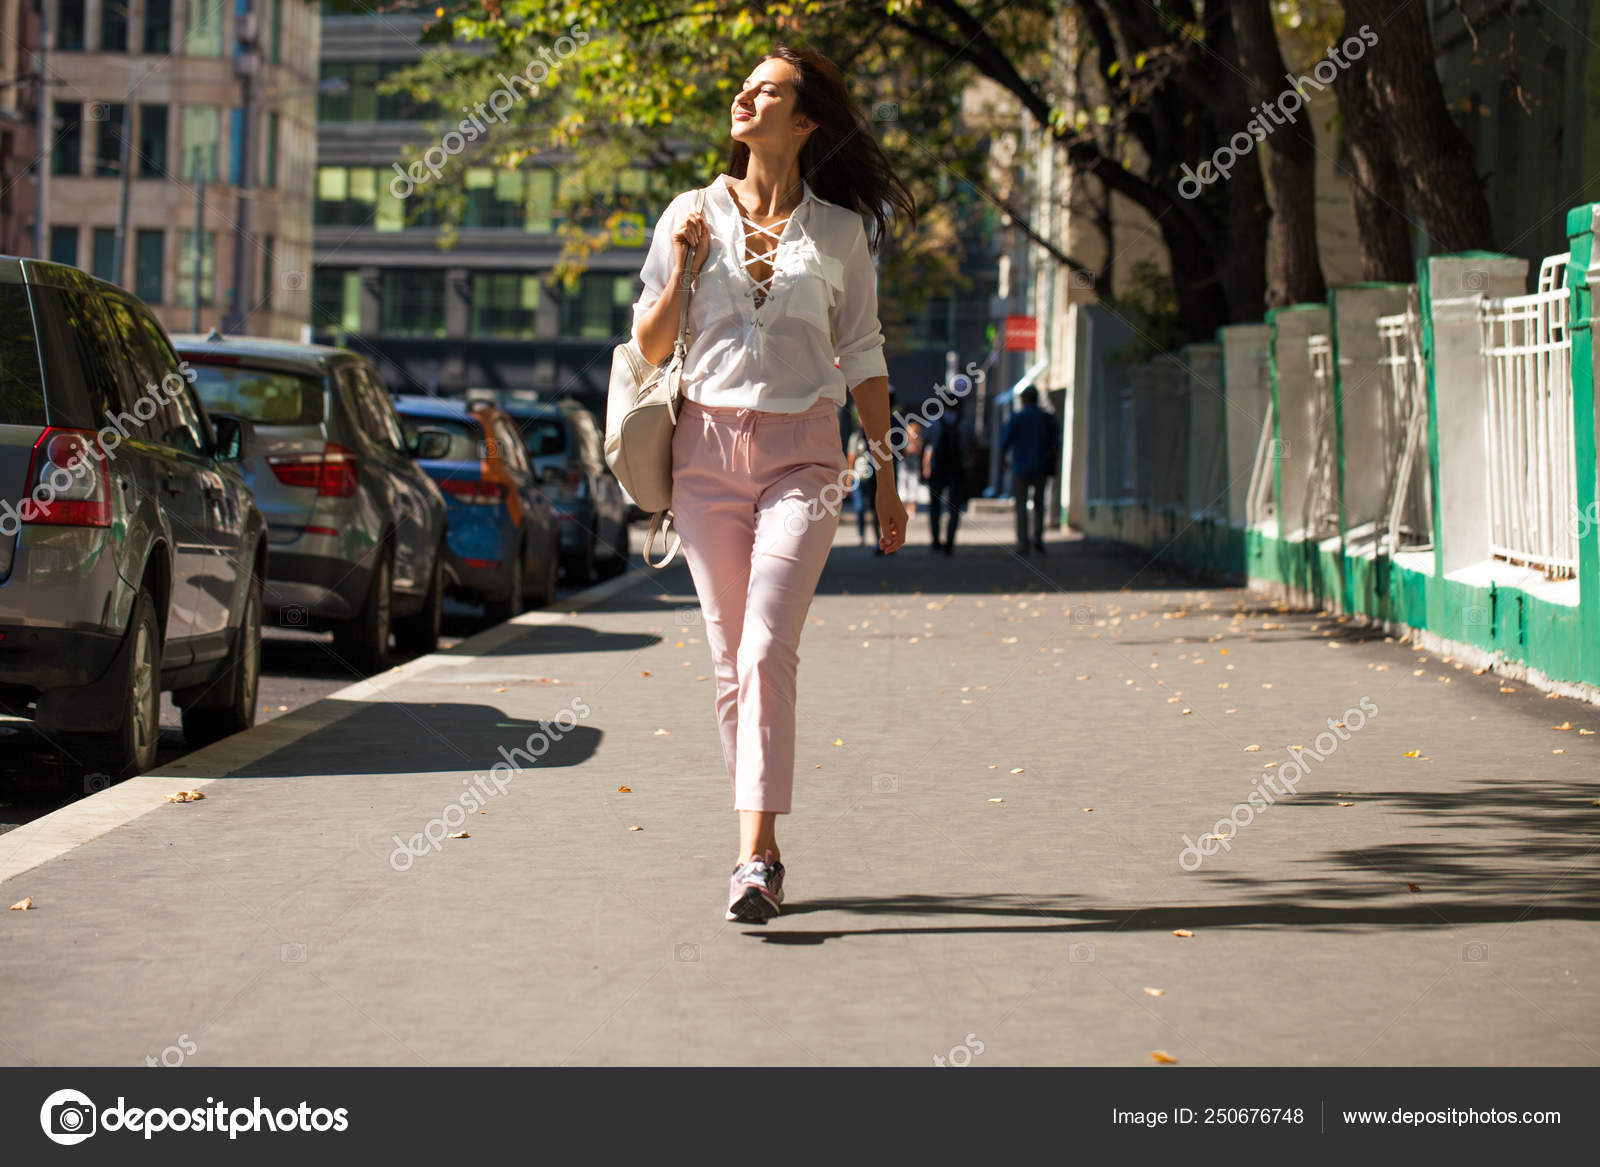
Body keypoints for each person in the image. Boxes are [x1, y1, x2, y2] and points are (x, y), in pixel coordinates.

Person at [630, 44, 915, 923]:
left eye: (769, 89)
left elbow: (862, 354)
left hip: (804, 458)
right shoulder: (689, 212)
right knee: (729, 664)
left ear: (804, 121)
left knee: (764, 649)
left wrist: (886, 475)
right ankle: (762, 847)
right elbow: (647, 342)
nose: (745, 96)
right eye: (744, 84)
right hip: (704, 457)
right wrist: (680, 266)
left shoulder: (838, 233)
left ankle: (752, 862)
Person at [999, 386, 1061, 555]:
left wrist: (1003, 462)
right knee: (1039, 505)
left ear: (1024, 399)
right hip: (1040, 467)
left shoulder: (1017, 418)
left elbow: (1004, 443)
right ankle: (1038, 539)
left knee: (1021, 506)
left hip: (1020, 468)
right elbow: (1056, 442)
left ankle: (1023, 542)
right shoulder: (1046, 418)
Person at [921, 396, 969, 555]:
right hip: (957, 468)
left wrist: (924, 468)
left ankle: (935, 540)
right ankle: (950, 541)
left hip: (938, 468)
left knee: (935, 505)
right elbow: (969, 445)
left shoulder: (933, 421)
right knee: (954, 507)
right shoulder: (964, 422)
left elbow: (925, 444)